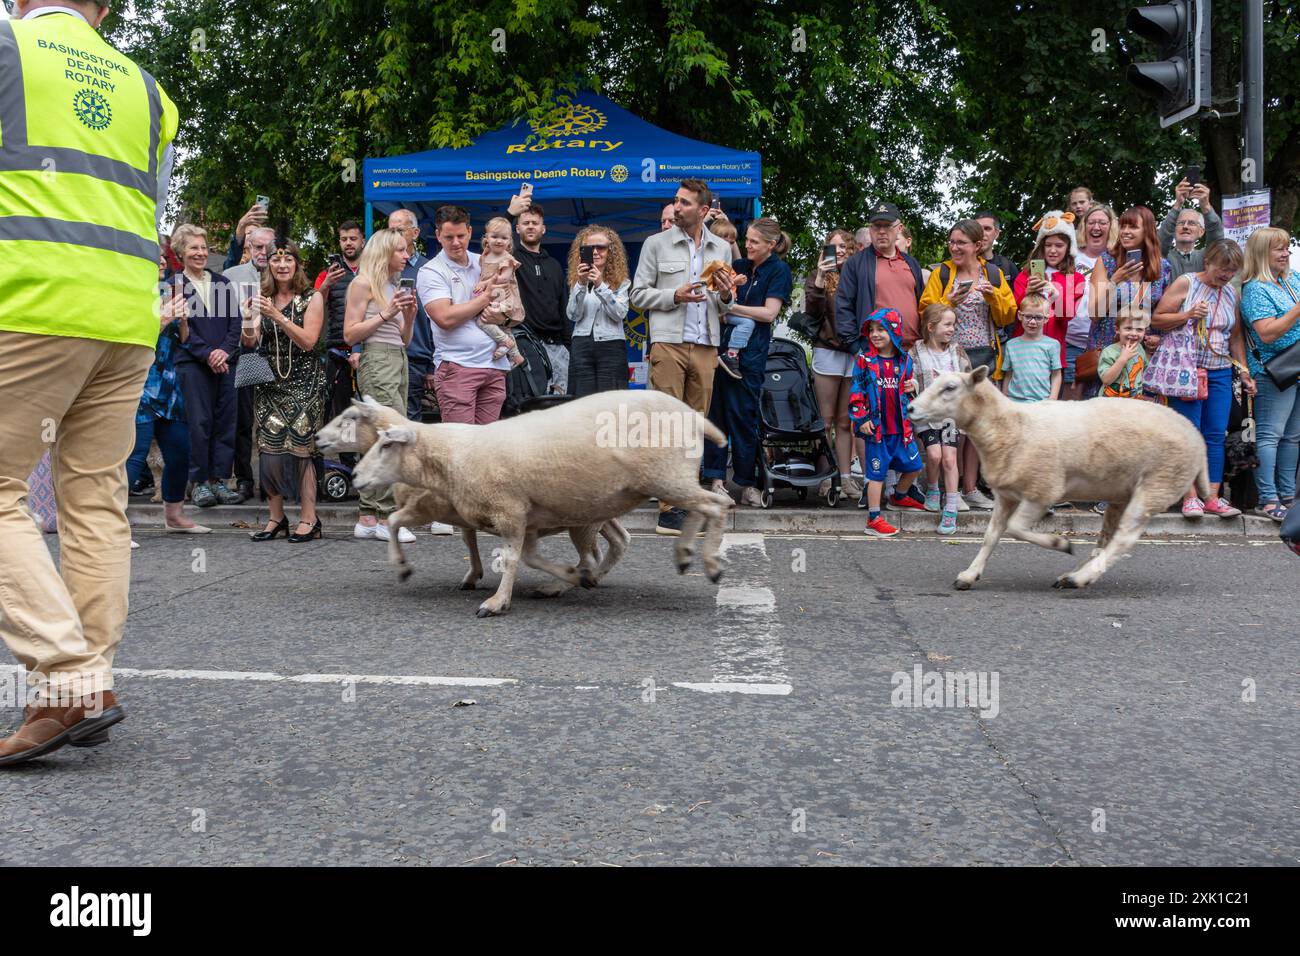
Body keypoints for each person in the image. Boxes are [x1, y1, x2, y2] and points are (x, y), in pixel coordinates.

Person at [0, 0, 179, 766]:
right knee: (95, 499)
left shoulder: (7, 46)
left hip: (30, 299)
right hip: (127, 316)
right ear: (104, 6)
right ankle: (79, 683)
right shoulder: (149, 92)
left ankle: (69, 677)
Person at [631, 179, 736, 535]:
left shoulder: (722, 246)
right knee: (666, 426)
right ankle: (668, 508)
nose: (677, 207)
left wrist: (724, 295)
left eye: (684, 203)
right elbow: (638, 295)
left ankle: (687, 500)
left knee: (694, 427)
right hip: (668, 343)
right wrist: (673, 295)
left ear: (703, 211)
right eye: (675, 201)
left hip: (706, 344)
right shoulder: (655, 244)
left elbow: (727, 304)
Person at [1151, 239, 1255, 518]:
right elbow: (1158, 318)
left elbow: (1234, 336)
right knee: (1189, 434)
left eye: (1232, 270)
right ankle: (1190, 498)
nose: (1226, 275)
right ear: (1208, 262)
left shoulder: (1231, 293)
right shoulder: (1187, 283)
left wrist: (1244, 371)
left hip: (1220, 369)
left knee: (1214, 434)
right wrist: (1187, 314)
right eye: (1222, 269)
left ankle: (1212, 497)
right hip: (1188, 369)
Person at [919, 218, 1017, 509]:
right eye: (952, 242)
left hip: (983, 356)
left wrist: (994, 295)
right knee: (951, 425)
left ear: (978, 245)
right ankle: (953, 489)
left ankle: (972, 488)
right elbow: (926, 312)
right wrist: (946, 301)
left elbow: (1007, 317)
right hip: (949, 356)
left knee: (975, 427)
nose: (954, 247)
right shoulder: (942, 273)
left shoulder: (995, 274)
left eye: (961, 243)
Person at [699, 218, 792, 506]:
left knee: (744, 418)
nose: (747, 245)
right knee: (716, 417)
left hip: (750, 358)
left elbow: (768, 314)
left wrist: (730, 307)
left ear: (771, 245)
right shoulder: (739, 267)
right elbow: (728, 253)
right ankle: (715, 479)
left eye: (754, 241)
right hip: (720, 351)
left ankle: (746, 482)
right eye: (746, 240)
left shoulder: (779, 271)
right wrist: (720, 224)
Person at [241, 239, 328, 542]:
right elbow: (250, 342)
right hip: (269, 383)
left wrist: (277, 316)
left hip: (305, 382)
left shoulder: (311, 298)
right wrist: (248, 319)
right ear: (268, 266)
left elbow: (309, 341)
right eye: (276, 261)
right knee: (270, 451)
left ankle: (309, 519)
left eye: (287, 260)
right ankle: (276, 519)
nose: (281, 266)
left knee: (303, 450)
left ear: (296, 264)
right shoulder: (262, 297)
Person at [345, 228, 419, 542]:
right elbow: (350, 335)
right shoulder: (363, 283)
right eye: (401, 250)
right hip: (376, 360)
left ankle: (370, 515)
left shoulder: (391, 286)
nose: (406, 255)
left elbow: (404, 339)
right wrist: (387, 314)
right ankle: (381, 517)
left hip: (397, 358)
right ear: (385, 253)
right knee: (391, 436)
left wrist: (410, 316)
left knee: (388, 435)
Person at [126, 257, 208, 533]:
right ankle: (113, 523)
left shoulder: (169, 291)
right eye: (156, 257)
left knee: (180, 451)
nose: (162, 261)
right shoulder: (131, 292)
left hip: (168, 386)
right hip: (140, 384)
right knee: (135, 455)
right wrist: (163, 319)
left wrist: (182, 321)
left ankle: (174, 517)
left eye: (163, 257)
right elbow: (133, 337)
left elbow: (183, 340)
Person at [170, 224, 243, 508]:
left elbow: (235, 322)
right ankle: (199, 483)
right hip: (193, 364)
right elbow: (179, 330)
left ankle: (221, 480)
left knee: (226, 422)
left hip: (225, 363)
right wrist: (208, 354)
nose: (200, 253)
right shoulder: (173, 284)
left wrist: (223, 352)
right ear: (181, 252)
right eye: (193, 248)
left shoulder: (222, 283)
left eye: (203, 247)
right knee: (199, 424)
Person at [418, 205, 512, 425]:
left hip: (494, 366)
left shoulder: (484, 261)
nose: (456, 242)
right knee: (460, 447)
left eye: (461, 235)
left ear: (470, 232)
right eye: (449, 237)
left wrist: (504, 315)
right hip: (457, 366)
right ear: (438, 235)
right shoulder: (431, 271)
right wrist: (486, 298)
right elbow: (445, 318)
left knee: (487, 446)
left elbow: (509, 304)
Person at [1240, 227, 1300, 521]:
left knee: (1292, 437)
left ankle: (1288, 495)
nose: (1285, 253)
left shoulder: (1292, 281)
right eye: (1279, 249)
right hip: (1273, 370)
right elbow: (1266, 333)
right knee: (1270, 435)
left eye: (1287, 248)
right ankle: (1268, 498)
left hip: (1297, 368)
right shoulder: (1255, 289)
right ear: (1262, 253)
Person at [848, 309, 924, 537]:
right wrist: (861, 419)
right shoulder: (865, 360)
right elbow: (857, 391)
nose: (875, 334)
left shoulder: (905, 360)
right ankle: (873, 518)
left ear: (894, 331)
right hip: (877, 431)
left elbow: (908, 392)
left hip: (901, 431)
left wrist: (914, 389)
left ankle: (898, 497)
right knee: (876, 475)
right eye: (871, 330)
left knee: (914, 466)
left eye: (881, 329)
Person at [804, 229, 861, 499]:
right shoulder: (819, 277)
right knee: (825, 421)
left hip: (853, 351)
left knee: (845, 421)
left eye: (843, 246)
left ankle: (846, 477)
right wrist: (819, 277)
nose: (838, 251)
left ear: (851, 249)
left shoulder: (858, 276)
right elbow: (812, 313)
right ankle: (826, 478)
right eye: (833, 246)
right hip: (828, 350)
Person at [909, 303, 972, 533]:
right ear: (931, 326)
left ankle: (951, 507)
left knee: (949, 458)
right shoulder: (916, 352)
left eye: (953, 324)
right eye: (947, 324)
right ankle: (934, 489)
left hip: (949, 415)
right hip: (927, 414)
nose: (952, 328)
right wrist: (911, 385)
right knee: (934, 456)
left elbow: (967, 378)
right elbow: (911, 378)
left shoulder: (956, 352)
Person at [224, 225, 275, 501]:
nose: (263, 252)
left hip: (278, 354)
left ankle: (275, 482)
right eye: (257, 247)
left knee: (275, 420)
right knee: (242, 421)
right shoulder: (230, 277)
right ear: (248, 247)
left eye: (269, 247)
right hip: (243, 355)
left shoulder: (284, 274)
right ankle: (244, 479)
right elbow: (220, 318)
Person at [835, 202, 925, 354]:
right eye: (877, 226)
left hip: (914, 351)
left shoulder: (911, 263)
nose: (882, 231)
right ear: (870, 229)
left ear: (899, 228)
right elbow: (843, 307)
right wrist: (856, 348)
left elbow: (922, 304)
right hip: (876, 352)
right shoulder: (855, 263)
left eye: (888, 225)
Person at [505, 194, 570, 393]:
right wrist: (510, 214)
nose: (531, 226)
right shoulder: (510, 259)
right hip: (526, 344)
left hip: (557, 346)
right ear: (517, 228)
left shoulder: (554, 265)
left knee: (560, 405)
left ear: (543, 228)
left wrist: (568, 347)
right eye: (525, 223)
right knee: (530, 405)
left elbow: (563, 306)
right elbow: (494, 241)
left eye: (535, 223)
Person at [1088, 205, 1172, 358]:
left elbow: (1162, 314)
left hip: (1143, 350)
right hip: (1107, 349)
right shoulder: (1107, 261)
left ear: (1147, 230)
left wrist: (1158, 337)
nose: (1125, 231)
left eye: (1133, 227)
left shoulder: (1162, 267)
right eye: (1123, 226)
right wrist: (1114, 281)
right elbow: (1094, 314)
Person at [1012, 211, 1084, 379]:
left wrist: (1056, 295)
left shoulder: (1075, 278)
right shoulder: (1025, 274)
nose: (1052, 250)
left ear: (1068, 248)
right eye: (1048, 245)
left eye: (1059, 245)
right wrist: (1027, 292)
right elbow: (1015, 312)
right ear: (1041, 246)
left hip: (1053, 351)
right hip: (1023, 348)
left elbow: (1066, 316)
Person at [566, 226, 632, 397]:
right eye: (589, 248)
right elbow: (572, 315)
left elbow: (620, 314)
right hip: (581, 343)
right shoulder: (576, 280)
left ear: (611, 251)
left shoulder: (621, 282)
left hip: (611, 344)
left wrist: (600, 285)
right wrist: (580, 284)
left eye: (601, 247)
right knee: (582, 401)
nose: (595, 252)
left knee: (611, 401)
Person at [316, 221, 366, 440]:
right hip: (338, 350)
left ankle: (368, 455)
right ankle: (347, 462)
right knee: (344, 410)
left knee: (369, 409)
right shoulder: (327, 273)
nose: (348, 243)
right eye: (344, 239)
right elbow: (314, 306)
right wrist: (326, 284)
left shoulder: (373, 269)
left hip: (369, 349)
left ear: (362, 241)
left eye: (353, 239)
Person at [1066, 203, 1118, 399]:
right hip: (1072, 341)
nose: (1096, 227)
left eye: (1102, 223)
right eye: (1092, 222)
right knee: (1070, 404)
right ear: (1084, 226)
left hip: (1105, 342)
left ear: (1111, 227)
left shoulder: (1117, 259)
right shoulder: (1071, 257)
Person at [387, 209, 434, 419]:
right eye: (391, 231)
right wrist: (358, 349)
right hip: (383, 354)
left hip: (415, 357)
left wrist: (432, 365)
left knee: (409, 420)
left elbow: (436, 320)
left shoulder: (430, 269)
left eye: (400, 230)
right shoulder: (378, 268)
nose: (395, 236)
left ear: (415, 233)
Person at [473, 217, 526, 366]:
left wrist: (483, 283)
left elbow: (503, 279)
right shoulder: (485, 255)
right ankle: (516, 356)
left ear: (510, 241)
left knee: (482, 321)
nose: (498, 241)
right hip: (492, 295)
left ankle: (504, 342)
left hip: (502, 296)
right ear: (487, 238)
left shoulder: (507, 259)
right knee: (503, 326)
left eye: (504, 238)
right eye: (494, 236)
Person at [1001, 292, 1063, 404]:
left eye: (1038, 317)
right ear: (1020, 316)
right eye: (1028, 316)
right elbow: (1008, 374)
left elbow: (1056, 375)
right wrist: (1005, 401)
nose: (1033, 322)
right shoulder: (1011, 345)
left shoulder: (1052, 345)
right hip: (1014, 402)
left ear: (1046, 319)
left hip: (1042, 404)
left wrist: (1052, 401)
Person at [1158, 178, 1225, 280]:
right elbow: (1161, 240)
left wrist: (1206, 206)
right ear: (1173, 229)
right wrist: (1178, 204)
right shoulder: (1164, 257)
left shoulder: (1206, 257)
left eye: (1192, 223)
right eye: (1180, 223)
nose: (1185, 226)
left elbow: (1216, 235)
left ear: (1201, 232)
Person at [1097, 306, 1151, 399]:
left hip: (1133, 403)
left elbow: (1145, 370)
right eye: (1128, 328)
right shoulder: (1109, 352)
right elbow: (1106, 380)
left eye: (1139, 329)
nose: (1134, 333)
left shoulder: (1140, 348)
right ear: (1117, 329)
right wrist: (1122, 359)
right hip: (1110, 404)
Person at [974, 211, 1019, 285]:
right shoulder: (961, 265)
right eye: (977, 228)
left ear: (996, 234)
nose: (982, 233)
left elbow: (1017, 296)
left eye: (987, 228)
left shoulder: (1007, 267)